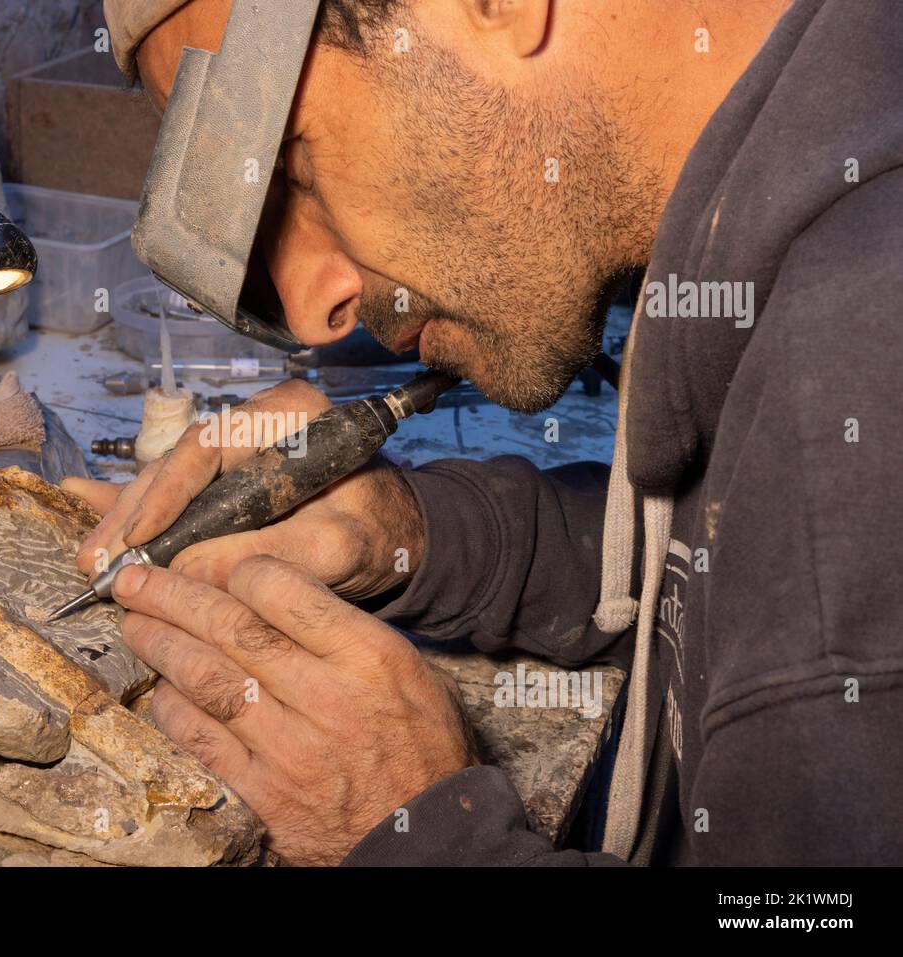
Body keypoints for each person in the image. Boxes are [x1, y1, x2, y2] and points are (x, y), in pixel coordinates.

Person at [63, 0, 903, 865]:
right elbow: (738, 575)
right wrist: (415, 537)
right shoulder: (795, 175)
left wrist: (428, 836)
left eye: (296, 170)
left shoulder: (860, 360)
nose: (313, 313)